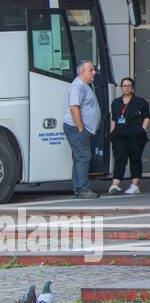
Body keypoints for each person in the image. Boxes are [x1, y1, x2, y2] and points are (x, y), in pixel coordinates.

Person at [62, 60, 101, 200]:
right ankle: (84, 189)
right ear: (81, 72)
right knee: (84, 157)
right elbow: (74, 107)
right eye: (91, 70)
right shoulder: (78, 85)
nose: (94, 72)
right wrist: (81, 129)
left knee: (79, 158)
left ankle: (79, 188)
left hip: (78, 128)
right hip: (76, 128)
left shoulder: (83, 85)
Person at [108, 77, 150, 195]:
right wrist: (112, 133)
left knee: (135, 160)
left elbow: (147, 117)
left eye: (129, 85)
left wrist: (142, 129)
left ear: (133, 87)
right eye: (124, 86)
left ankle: (135, 185)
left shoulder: (140, 102)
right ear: (121, 87)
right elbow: (114, 119)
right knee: (120, 159)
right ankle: (115, 184)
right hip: (119, 135)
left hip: (135, 135)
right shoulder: (116, 102)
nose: (126, 88)